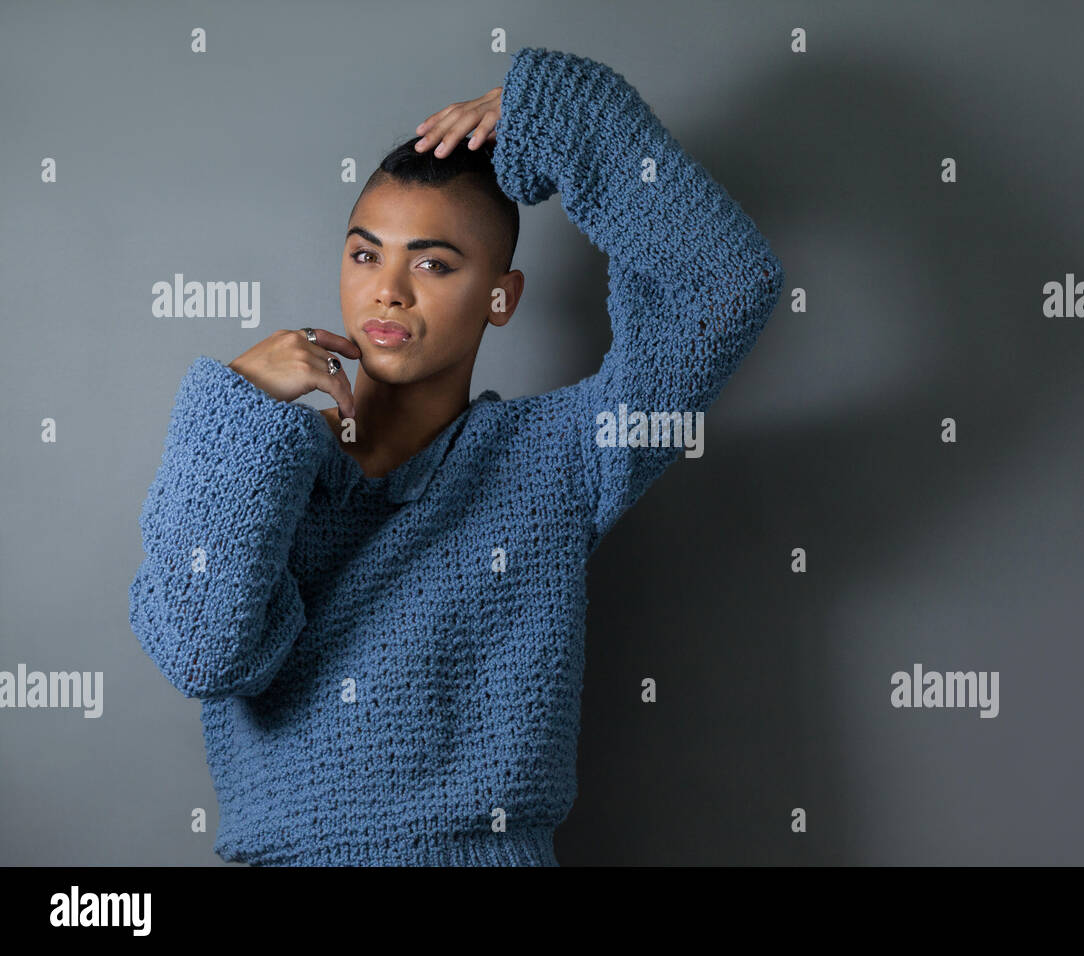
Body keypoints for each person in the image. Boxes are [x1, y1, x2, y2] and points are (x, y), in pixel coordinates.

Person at [128, 45, 784, 866]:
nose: (388, 291)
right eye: (365, 253)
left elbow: (723, 289)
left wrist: (575, 119)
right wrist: (233, 408)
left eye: (433, 264)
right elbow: (201, 651)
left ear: (501, 298)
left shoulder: (559, 459)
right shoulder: (264, 467)